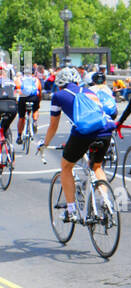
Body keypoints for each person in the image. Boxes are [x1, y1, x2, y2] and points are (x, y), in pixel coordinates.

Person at [37, 67, 116, 220]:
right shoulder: (90, 92)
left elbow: (53, 126)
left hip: (84, 133)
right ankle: (105, 200)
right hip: (106, 130)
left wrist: (45, 144)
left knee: (66, 167)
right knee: (97, 166)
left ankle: (71, 210)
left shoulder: (58, 95)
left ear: (60, 83)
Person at [15, 69, 42, 144]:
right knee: (36, 110)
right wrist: (39, 100)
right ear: (33, 73)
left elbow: (16, 90)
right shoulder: (36, 80)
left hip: (23, 98)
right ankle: (35, 121)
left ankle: (19, 136)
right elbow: (39, 91)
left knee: (21, 117)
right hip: (34, 98)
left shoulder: (19, 79)